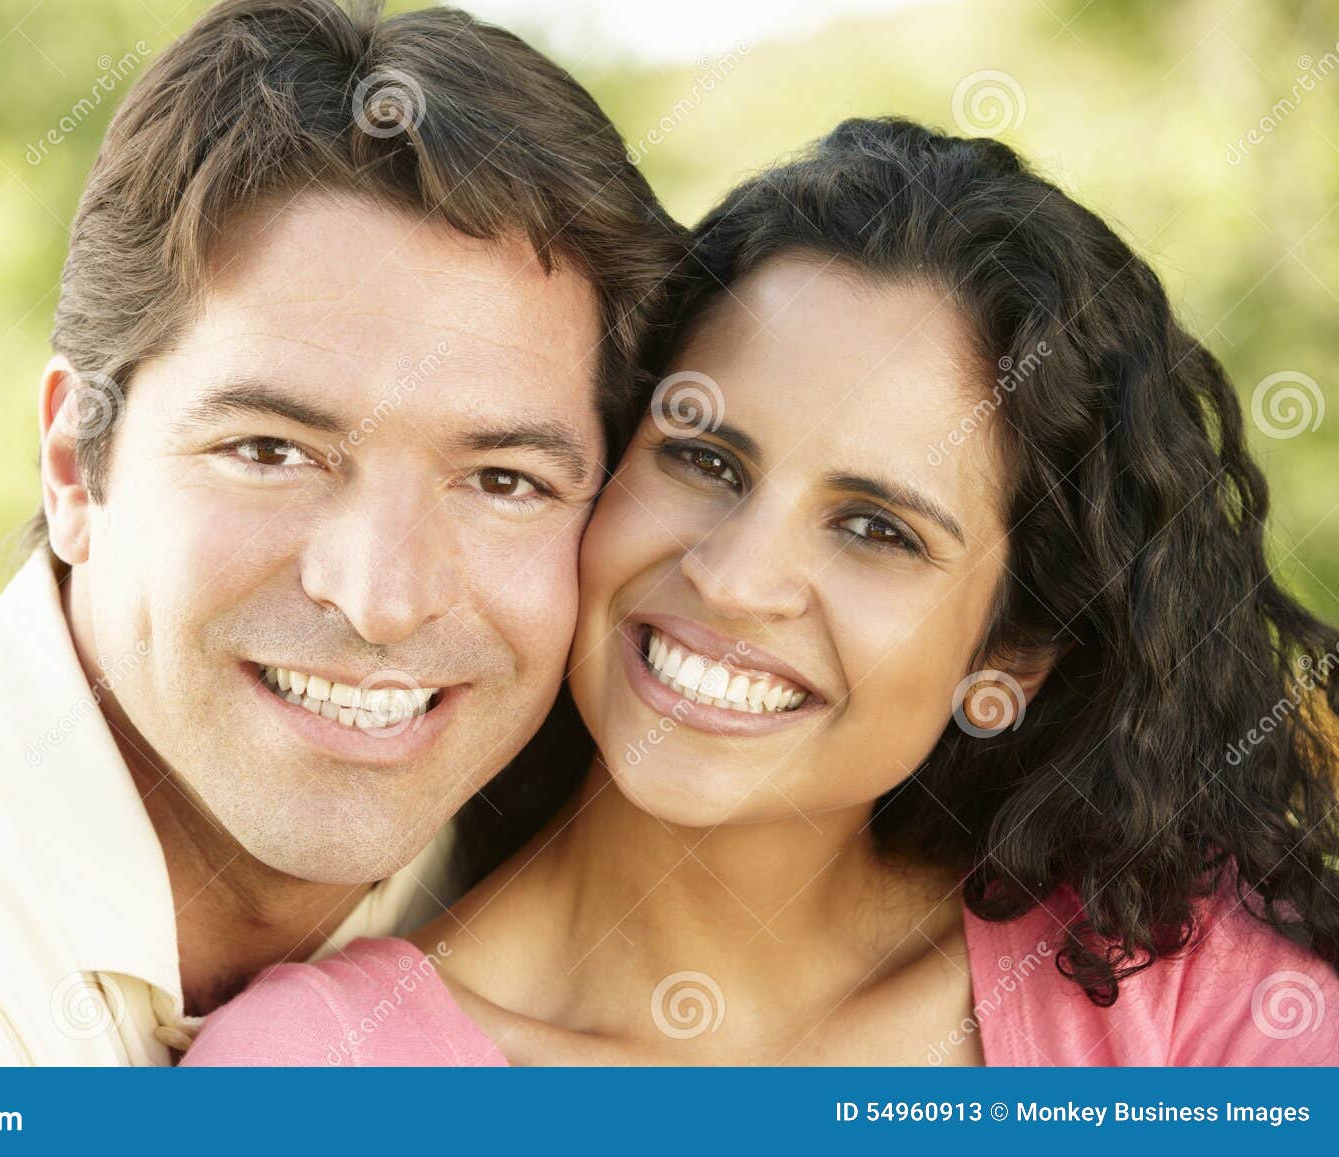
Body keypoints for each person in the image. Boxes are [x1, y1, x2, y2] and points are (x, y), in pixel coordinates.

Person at [182, 118, 1339, 1067]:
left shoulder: (1190, 997)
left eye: (875, 527)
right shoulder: (312, 1072)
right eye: (705, 459)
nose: (733, 577)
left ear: (1013, 657)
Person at [0, 0, 682, 1064]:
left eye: (503, 478)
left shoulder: (560, 845)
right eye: (271, 451)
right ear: (72, 465)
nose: (381, 595)